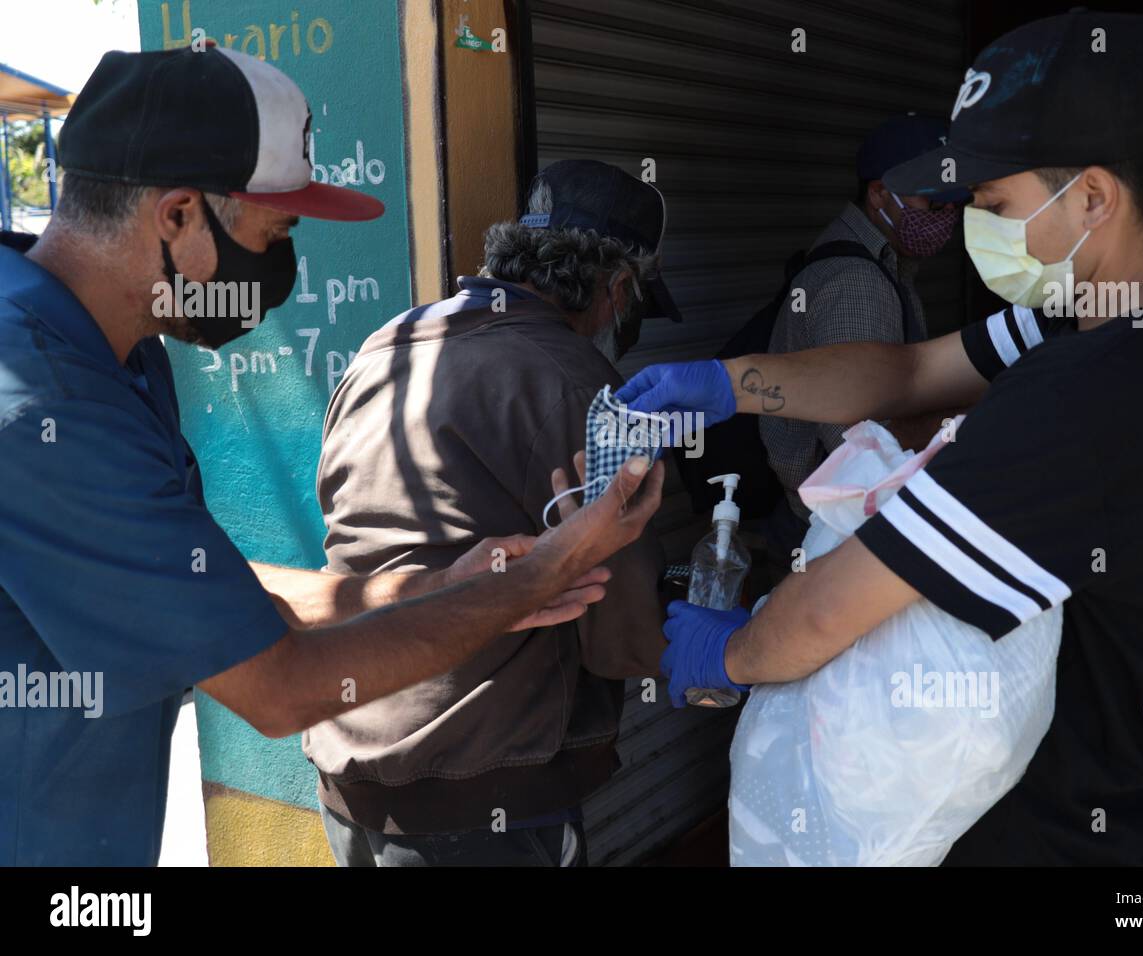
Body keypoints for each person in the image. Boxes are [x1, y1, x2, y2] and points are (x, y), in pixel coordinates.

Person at [0, 47, 662, 866]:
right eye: (277, 231)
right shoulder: (41, 398)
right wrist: (543, 573)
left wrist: (441, 584)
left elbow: (205, 581)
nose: (282, 265)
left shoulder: (116, 354)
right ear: (176, 215)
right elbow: (279, 688)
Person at [619, 11, 1143, 865]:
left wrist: (729, 652)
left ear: (1094, 195)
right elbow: (911, 373)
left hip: (1040, 828)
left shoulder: (1084, 394)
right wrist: (733, 383)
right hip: (1132, 784)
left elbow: (832, 606)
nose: (975, 227)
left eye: (995, 204)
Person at [305, 160, 674, 866]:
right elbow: (620, 633)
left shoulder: (386, 346)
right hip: (484, 795)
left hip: (347, 768)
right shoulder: (578, 381)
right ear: (618, 286)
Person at [761, 114, 965, 563]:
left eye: (954, 206)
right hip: (831, 530)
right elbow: (860, 444)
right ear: (878, 194)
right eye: (934, 205)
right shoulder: (857, 282)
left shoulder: (884, 262)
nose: (947, 219)